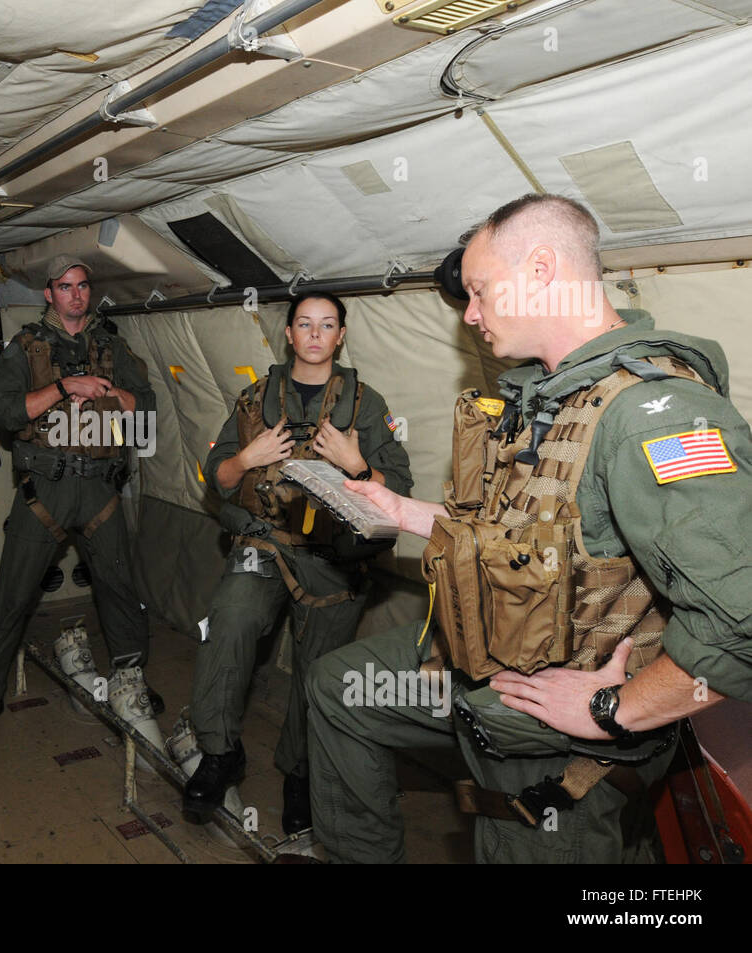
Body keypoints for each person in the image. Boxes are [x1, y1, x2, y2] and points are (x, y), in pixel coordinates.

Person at [306, 193, 752, 862]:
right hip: (483, 657)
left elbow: (739, 619)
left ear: (542, 268)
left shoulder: (651, 413)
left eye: (481, 291)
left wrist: (617, 709)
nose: (471, 313)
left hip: (560, 741)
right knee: (339, 687)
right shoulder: (543, 395)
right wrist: (397, 510)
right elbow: (505, 535)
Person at [185, 294, 412, 831]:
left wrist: (356, 465)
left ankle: (301, 774)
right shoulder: (255, 398)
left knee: (318, 673)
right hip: (266, 542)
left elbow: (400, 489)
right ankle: (219, 753)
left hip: (333, 560)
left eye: (326, 325)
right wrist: (248, 458)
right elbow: (217, 479)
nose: (315, 334)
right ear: (289, 334)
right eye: (304, 324)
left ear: (340, 335)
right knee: (231, 619)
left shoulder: (365, 405)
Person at [0, 256, 158, 740]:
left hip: (99, 488)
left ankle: (131, 678)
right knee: (11, 598)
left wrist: (108, 393)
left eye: (83, 286)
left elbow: (146, 405)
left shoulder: (112, 346)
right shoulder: (24, 349)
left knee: (120, 592)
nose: (75, 295)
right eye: (65, 286)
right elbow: (7, 413)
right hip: (43, 490)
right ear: (49, 293)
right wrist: (64, 386)